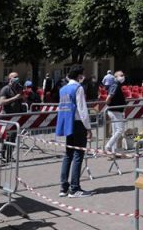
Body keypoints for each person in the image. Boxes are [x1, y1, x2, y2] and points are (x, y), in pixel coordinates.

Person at [56, 64, 93, 198]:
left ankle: (63, 187)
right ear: (79, 75)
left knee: (68, 155)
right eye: (83, 73)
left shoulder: (63, 89)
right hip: (78, 124)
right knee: (78, 155)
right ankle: (74, 188)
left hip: (67, 124)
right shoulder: (78, 88)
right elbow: (83, 110)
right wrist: (88, 128)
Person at [0, 72, 25, 162]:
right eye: (15, 77)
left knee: (13, 137)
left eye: (18, 77)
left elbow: (22, 99)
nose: (17, 78)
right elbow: (1, 102)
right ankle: (2, 154)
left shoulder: (19, 88)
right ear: (10, 79)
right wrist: (14, 98)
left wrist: (22, 97)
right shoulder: (5, 89)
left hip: (17, 116)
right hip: (7, 116)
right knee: (7, 136)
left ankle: (10, 156)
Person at [104, 70, 127, 155]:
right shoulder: (115, 84)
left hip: (115, 110)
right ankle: (108, 146)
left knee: (115, 131)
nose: (123, 76)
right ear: (116, 77)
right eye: (121, 75)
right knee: (120, 130)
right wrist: (109, 104)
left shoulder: (117, 85)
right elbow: (109, 98)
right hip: (115, 111)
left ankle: (114, 151)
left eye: (123, 75)